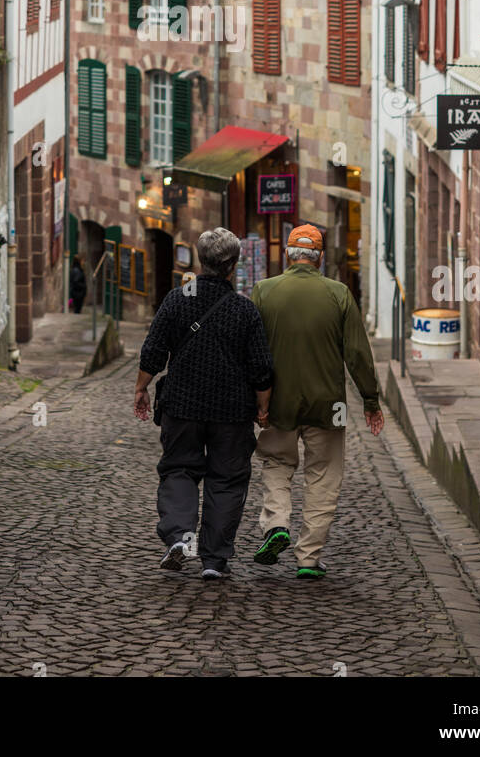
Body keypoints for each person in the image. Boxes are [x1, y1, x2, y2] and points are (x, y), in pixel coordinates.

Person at [133, 228, 273, 579]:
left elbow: (153, 350)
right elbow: (260, 368)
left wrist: (141, 388)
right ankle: (214, 560)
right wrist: (263, 406)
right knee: (226, 480)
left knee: (179, 469)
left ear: (201, 261)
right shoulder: (244, 310)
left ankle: (181, 537)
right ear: (234, 265)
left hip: (182, 406)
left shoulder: (178, 298)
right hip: (231, 411)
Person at [252, 224, 384, 579]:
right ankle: (309, 557)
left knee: (277, 464)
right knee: (323, 476)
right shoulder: (339, 294)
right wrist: (370, 400)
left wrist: (254, 400)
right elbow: (357, 354)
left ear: (288, 255)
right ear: (320, 258)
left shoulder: (264, 291)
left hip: (276, 402)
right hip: (329, 405)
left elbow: (251, 352)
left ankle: (277, 524)